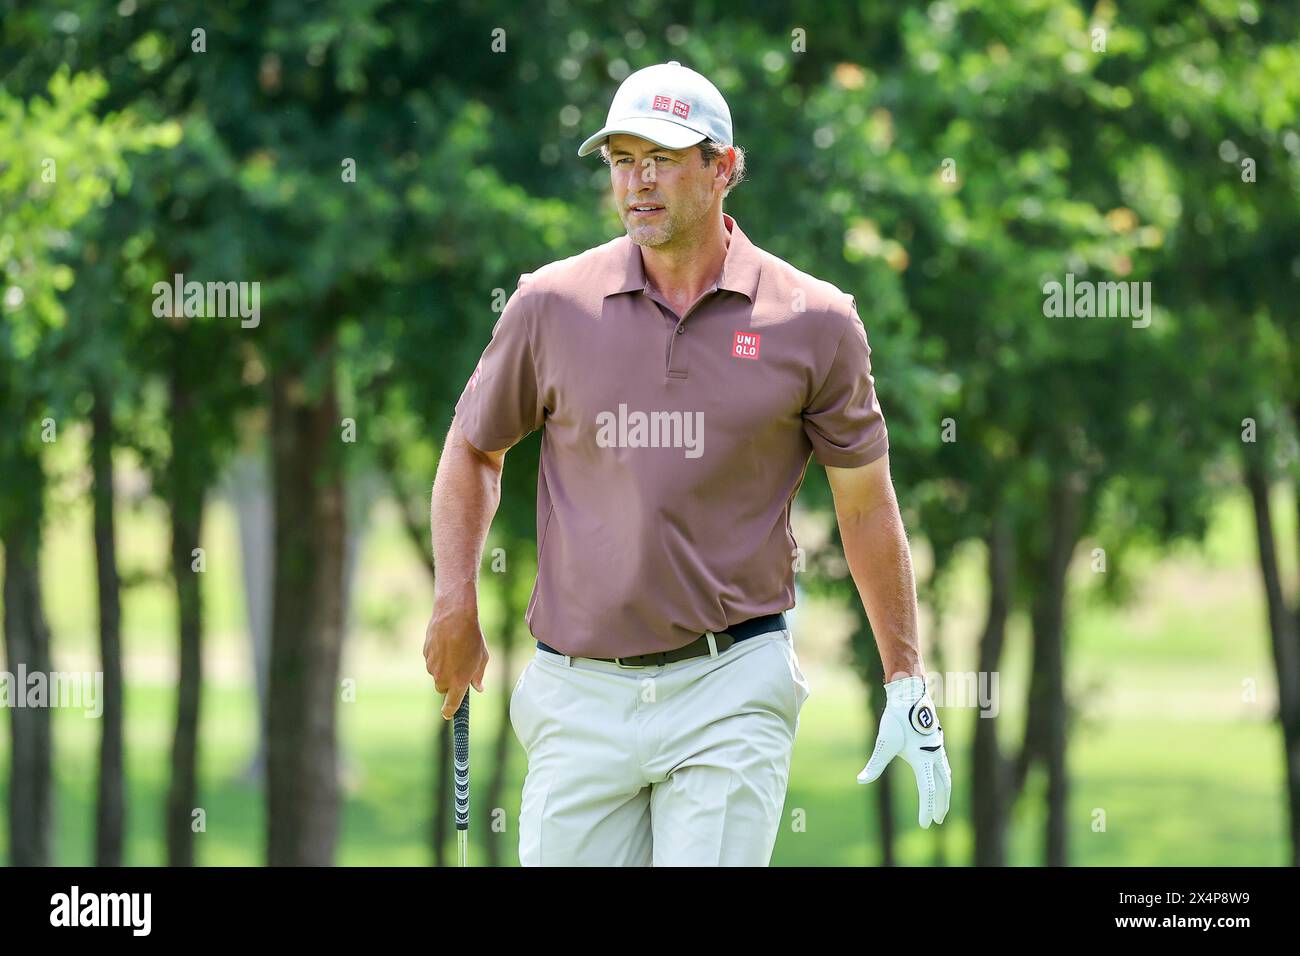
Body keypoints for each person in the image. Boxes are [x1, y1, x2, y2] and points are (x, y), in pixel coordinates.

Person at [424, 60, 951, 866]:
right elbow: (472, 449)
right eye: (622, 160)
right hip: (578, 691)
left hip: (729, 685)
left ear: (723, 167)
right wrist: (453, 602)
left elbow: (866, 507)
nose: (639, 181)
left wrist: (905, 679)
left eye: (663, 158)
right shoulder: (550, 305)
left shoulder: (814, 322)